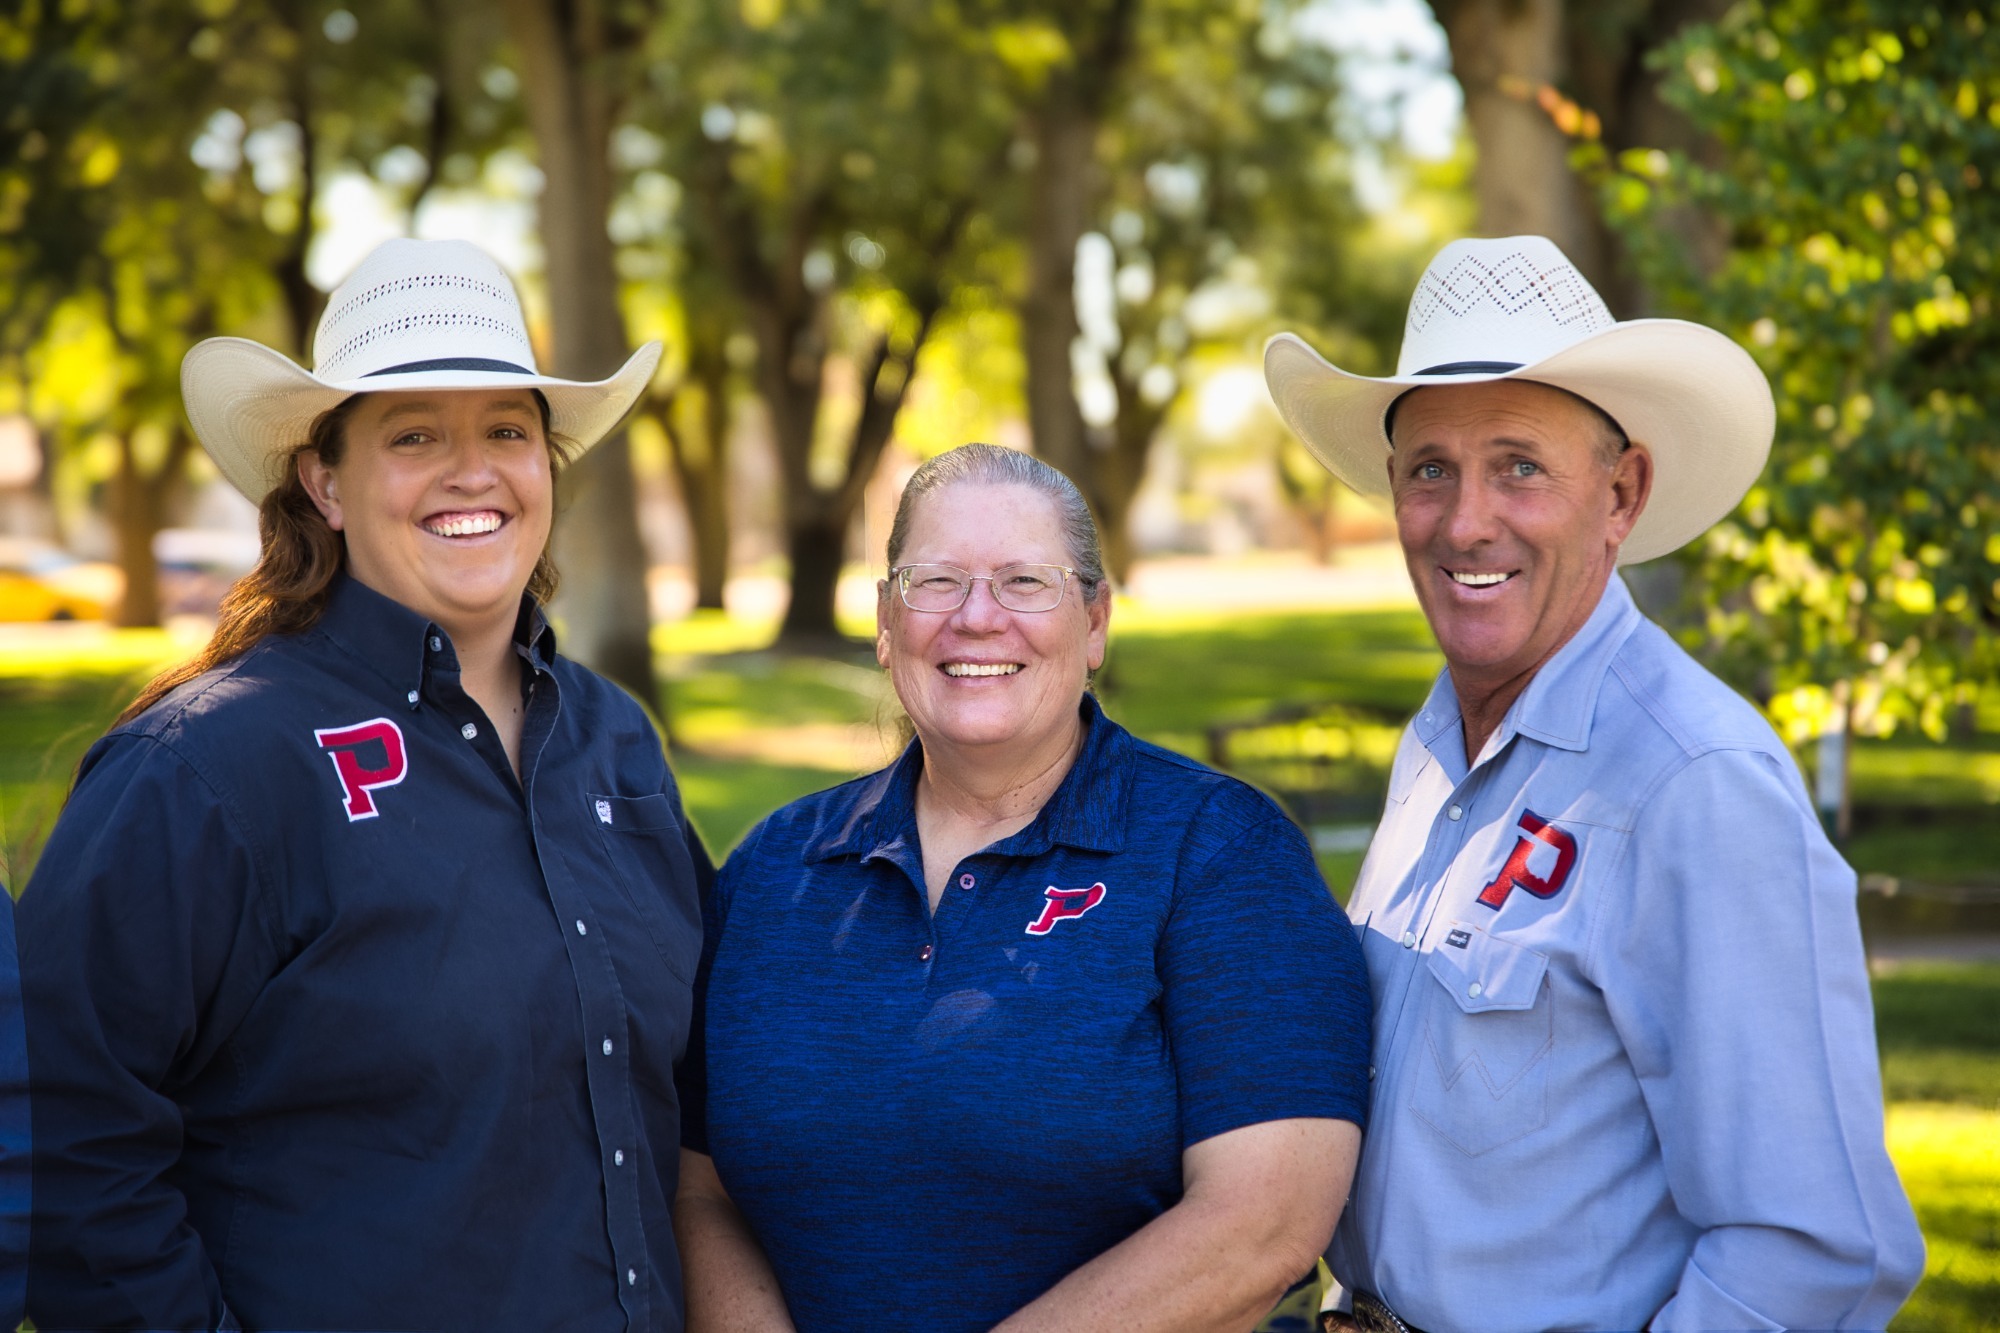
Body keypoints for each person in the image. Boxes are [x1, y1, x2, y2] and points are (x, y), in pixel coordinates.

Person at [16, 238, 709, 1331]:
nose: (471, 469)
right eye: (415, 433)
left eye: (506, 431)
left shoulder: (613, 740)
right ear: (324, 482)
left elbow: (696, 1095)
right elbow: (58, 1132)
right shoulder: (206, 768)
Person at [1264, 234, 1925, 1332]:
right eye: (1431, 468)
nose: (1465, 520)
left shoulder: (1693, 785)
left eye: (1518, 464)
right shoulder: (1435, 746)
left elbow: (1815, 1252)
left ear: (1619, 494)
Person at [673, 443, 1372, 1333]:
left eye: (1024, 582)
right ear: (888, 619)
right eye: (936, 581)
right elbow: (700, 1188)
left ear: (1095, 624)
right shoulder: (773, 870)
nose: (976, 618)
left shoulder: (1223, 854)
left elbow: (1262, 1224)